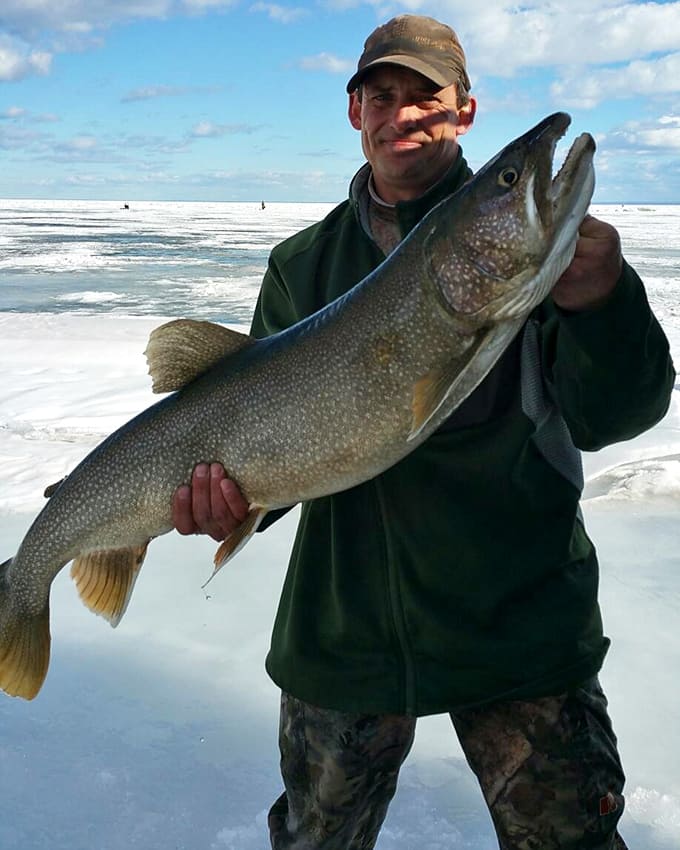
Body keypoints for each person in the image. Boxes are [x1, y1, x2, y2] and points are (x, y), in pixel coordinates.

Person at [172, 15, 675, 850]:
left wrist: (602, 301)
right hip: (346, 634)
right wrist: (230, 502)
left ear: (464, 112)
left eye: (426, 97)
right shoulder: (301, 266)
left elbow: (615, 415)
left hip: (516, 627)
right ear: (355, 112)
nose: (402, 114)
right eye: (382, 95)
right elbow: (273, 453)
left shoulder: (536, 257)